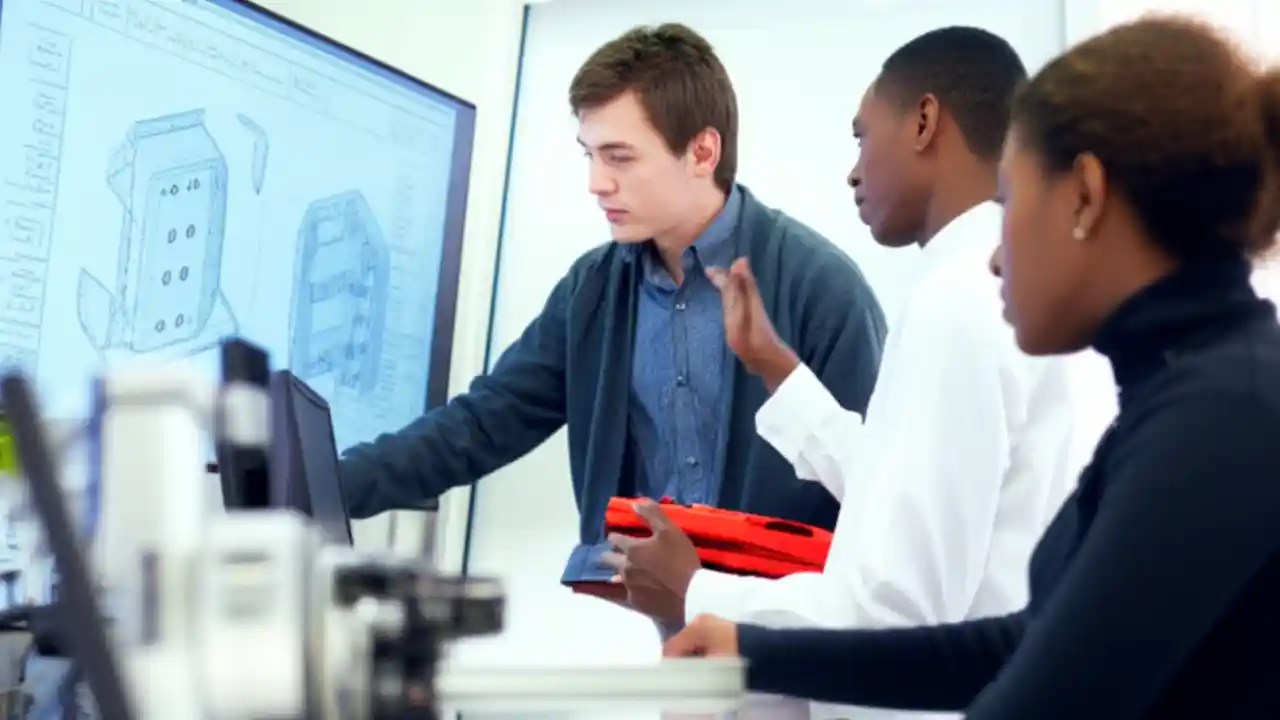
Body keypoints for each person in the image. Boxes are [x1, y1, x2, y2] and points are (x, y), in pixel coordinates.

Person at [664, 16, 1280, 719]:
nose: (994, 255)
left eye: (1012, 198)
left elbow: (1046, 693)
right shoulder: (1190, 391)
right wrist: (754, 650)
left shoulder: (1221, 419)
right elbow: (1020, 646)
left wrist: (707, 597)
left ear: (1084, 193)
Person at [606, 27, 1083, 719]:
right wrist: (777, 367)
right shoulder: (1008, 288)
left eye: (862, 137)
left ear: (924, 121)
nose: (853, 171)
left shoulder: (955, 300)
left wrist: (698, 590)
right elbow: (918, 489)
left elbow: (898, 611)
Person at [338, 24, 886, 599]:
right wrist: (326, 484)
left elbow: (876, 489)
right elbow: (479, 426)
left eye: (619, 157)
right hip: (664, 628)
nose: (597, 183)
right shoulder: (592, 291)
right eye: (590, 155)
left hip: (795, 640)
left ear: (703, 151)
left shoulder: (821, 287)